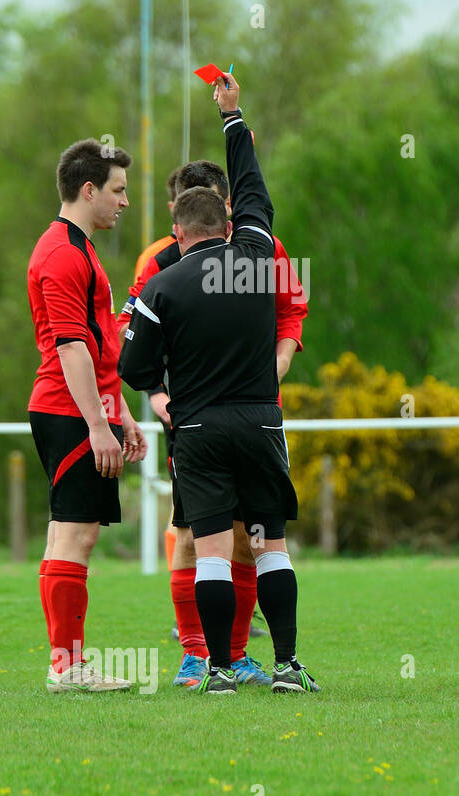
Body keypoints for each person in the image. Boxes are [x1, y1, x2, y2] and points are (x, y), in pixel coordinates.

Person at [118, 74, 318, 694]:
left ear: (179, 232)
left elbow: (132, 366)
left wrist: (158, 393)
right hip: (260, 421)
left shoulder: (162, 285)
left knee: (207, 550)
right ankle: (285, 666)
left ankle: (219, 670)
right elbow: (255, 189)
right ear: (228, 223)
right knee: (269, 548)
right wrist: (232, 117)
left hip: (198, 429)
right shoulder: (258, 256)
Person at [28, 138, 147, 693]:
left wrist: (120, 410)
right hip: (68, 411)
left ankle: (66, 663)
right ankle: (68, 666)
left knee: (67, 536)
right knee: (76, 537)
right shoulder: (60, 254)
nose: (125, 202)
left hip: (82, 408)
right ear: (89, 189)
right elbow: (71, 349)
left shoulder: (79, 248)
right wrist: (98, 425)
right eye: (119, 191)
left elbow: (98, 348)